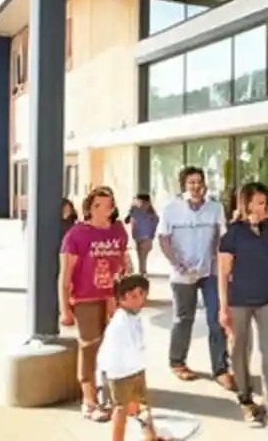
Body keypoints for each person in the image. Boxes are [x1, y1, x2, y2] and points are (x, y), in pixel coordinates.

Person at [217, 183, 268, 440]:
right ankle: (246, 399)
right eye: (260, 202)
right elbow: (223, 273)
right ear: (247, 204)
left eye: (266, 201)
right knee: (239, 349)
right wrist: (223, 306)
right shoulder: (233, 233)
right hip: (239, 300)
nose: (265, 207)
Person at [59, 186, 130, 423]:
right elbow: (66, 274)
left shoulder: (118, 231)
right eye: (101, 203)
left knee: (115, 347)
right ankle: (89, 401)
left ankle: (112, 395)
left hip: (113, 297)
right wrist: (64, 308)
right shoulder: (76, 235)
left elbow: (122, 264)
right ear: (90, 208)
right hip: (85, 297)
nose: (108, 207)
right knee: (89, 346)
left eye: (110, 202)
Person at [157, 166, 231, 389]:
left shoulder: (215, 208)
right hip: (182, 274)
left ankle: (220, 368)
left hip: (210, 272)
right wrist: (177, 264)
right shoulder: (171, 209)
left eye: (199, 182)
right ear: (184, 186)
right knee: (183, 319)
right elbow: (163, 239)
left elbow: (220, 236)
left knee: (217, 319)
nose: (196, 186)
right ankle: (177, 362)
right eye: (191, 183)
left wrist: (219, 263)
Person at [97, 274, 170, 441]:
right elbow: (116, 353)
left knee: (143, 406)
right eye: (133, 296)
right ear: (121, 299)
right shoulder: (120, 321)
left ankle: (151, 437)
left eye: (141, 294)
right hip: (120, 373)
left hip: (136, 368)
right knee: (121, 409)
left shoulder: (133, 317)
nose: (139, 300)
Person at [126, 194, 160, 277]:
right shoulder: (136, 211)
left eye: (142, 202)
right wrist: (131, 210)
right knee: (140, 256)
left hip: (147, 238)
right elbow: (127, 220)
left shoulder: (152, 214)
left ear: (147, 203)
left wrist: (151, 236)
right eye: (139, 202)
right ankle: (142, 272)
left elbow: (155, 225)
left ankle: (142, 273)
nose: (140, 204)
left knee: (142, 256)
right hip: (137, 237)